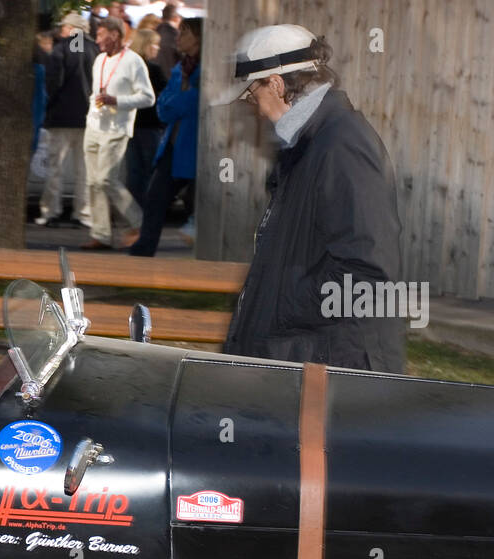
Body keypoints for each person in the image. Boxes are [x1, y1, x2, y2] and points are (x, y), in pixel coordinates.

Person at [215, 25, 404, 372]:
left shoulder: (342, 145)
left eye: (251, 96)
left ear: (275, 83)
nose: (256, 111)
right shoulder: (307, 143)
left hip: (334, 373)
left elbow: (367, 278)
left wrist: (275, 303)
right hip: (309, 360)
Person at [128, 16, 199, 257]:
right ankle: (142, 252)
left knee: (197, 204)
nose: (178, 39)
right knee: (155, 198)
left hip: (197, 148)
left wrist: (180, 100)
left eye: (184, 33)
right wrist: (181, 99)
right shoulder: (181, 69)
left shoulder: (205, 71)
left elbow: (190, 103)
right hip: (172, 145)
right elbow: (163, 108)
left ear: (198, 38)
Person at [80, 15, 152, 250]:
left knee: (106, 179)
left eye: (101, 35)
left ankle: (141, 222)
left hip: (117, 128)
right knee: (93, 182)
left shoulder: (133, 61)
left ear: (115, 35)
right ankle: (100, 234)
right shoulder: (99, 59)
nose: (97, 40)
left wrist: (116, 100)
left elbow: (147, 98)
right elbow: (95, 93)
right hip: (94, 126)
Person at [36, 12, 95, 228]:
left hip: (61, 117)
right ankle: (83, 213)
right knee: (84, 170)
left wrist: (48, 107)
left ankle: (51, 211)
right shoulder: (94, 50)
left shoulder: (61, 50)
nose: (61, 30)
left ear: (71, 29)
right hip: (87, 117)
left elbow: (53, 84)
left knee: (55, 168)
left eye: (64, 27)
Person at [123, 27, 167, 211]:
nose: (157, 48)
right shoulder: (153, 70)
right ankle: (150, 210)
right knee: (151, 171)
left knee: (134, 172)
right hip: (149, 126)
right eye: (155, 44)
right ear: (146, 45)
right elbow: (164, 95)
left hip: (130, 124)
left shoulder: (127, 66)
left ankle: (134, 212)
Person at [154, 2, 179, 72]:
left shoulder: (155, 33)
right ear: (176, 18)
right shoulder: (176, 36)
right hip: (170, 77)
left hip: (156, 76)